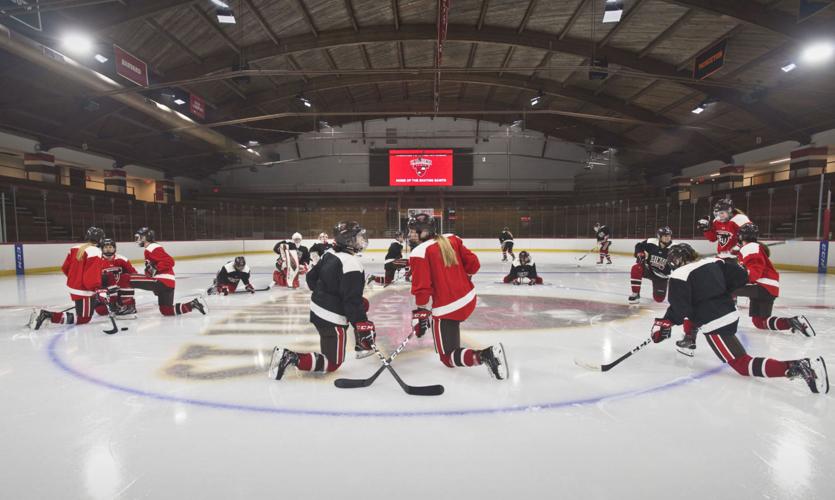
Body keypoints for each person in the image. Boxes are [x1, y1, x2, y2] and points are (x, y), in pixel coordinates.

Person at [650, 243, 828, 394]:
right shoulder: (715, 262)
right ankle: (689, 339)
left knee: (742, 364)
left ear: (677, 260)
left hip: (714, 323)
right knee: (695, 313)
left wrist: (664, 322)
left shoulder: (679, 275)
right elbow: (741, 277)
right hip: (730, 314)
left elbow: (680, 309)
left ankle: (797, 366)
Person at [676, 224, 814, 353]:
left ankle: (690, 335)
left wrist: (737, 278)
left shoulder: (750, 247)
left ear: (741, 237)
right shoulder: (752, 247)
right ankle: (792, 322)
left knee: (713, 293)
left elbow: (754, 272)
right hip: (769, 289)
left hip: (760, 285)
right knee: (760, 322)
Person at [269, 221, 374, 380]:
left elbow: (311, 280)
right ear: (348, 240)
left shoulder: (329, 254)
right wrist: (362, 325)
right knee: (333, 363)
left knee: (364, 303)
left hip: (318, 310)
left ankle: (354, 342)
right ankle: (290, 357)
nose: (361, 241)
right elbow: (351, 301)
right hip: (332, 317)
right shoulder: (352, 264)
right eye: (358, 238)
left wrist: (329, 291)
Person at [409, 213, 507, 379]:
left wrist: (420, 312)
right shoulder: (451, 239)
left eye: (414, 230)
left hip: (448, 309)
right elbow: (474, 264)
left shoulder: (419, 252)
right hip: (468, 299)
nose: (410, 234)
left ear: (425, 231)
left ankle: (486, 355)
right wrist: (461, 279)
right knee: (451, 327)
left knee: (447, 358)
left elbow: (422, 289)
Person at [28, 227, 111, 329]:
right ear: (101, 239)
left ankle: (49, 315)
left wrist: (75, 279)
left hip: (74, 287)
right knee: (84, 319)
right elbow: (91, 274)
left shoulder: (74, 248)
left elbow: (65, 268)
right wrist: (97, 287)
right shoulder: (95, 251)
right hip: (84, 290)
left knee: (83, 313)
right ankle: (48, 316)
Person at [122, 227, 207, 316]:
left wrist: (156, 269)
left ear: (147, 237)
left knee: (126, 278)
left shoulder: (152, 247)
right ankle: (193, 304)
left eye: (140, 236)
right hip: (168, 283)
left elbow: (169, 261)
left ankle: (129, 307)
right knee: (166, 310)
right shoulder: (152, 248)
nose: (138, 239)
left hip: (162, 281)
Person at [629, 226, 673, 304]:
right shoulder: (651, 242)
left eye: (669, 235)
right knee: (636, 268)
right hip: (649, 269)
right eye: (665, 236)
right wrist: (639, 253)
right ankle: (635, 293)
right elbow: (638, 246)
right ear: (659, 236)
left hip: (661, 276)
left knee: (659, 299)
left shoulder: (673, 248)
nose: (668, 238)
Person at [100, 238, 138, 314]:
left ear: (114, 248)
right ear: (102, 249)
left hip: (120, 290)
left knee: (126, 277)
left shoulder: (122, 259)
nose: (108, 249)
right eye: (105, 247)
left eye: (110, 247)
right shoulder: (97, 260)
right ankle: (112, 303)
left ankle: (128, 304)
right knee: (101, 311)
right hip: (105, 290)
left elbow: (133, 274)